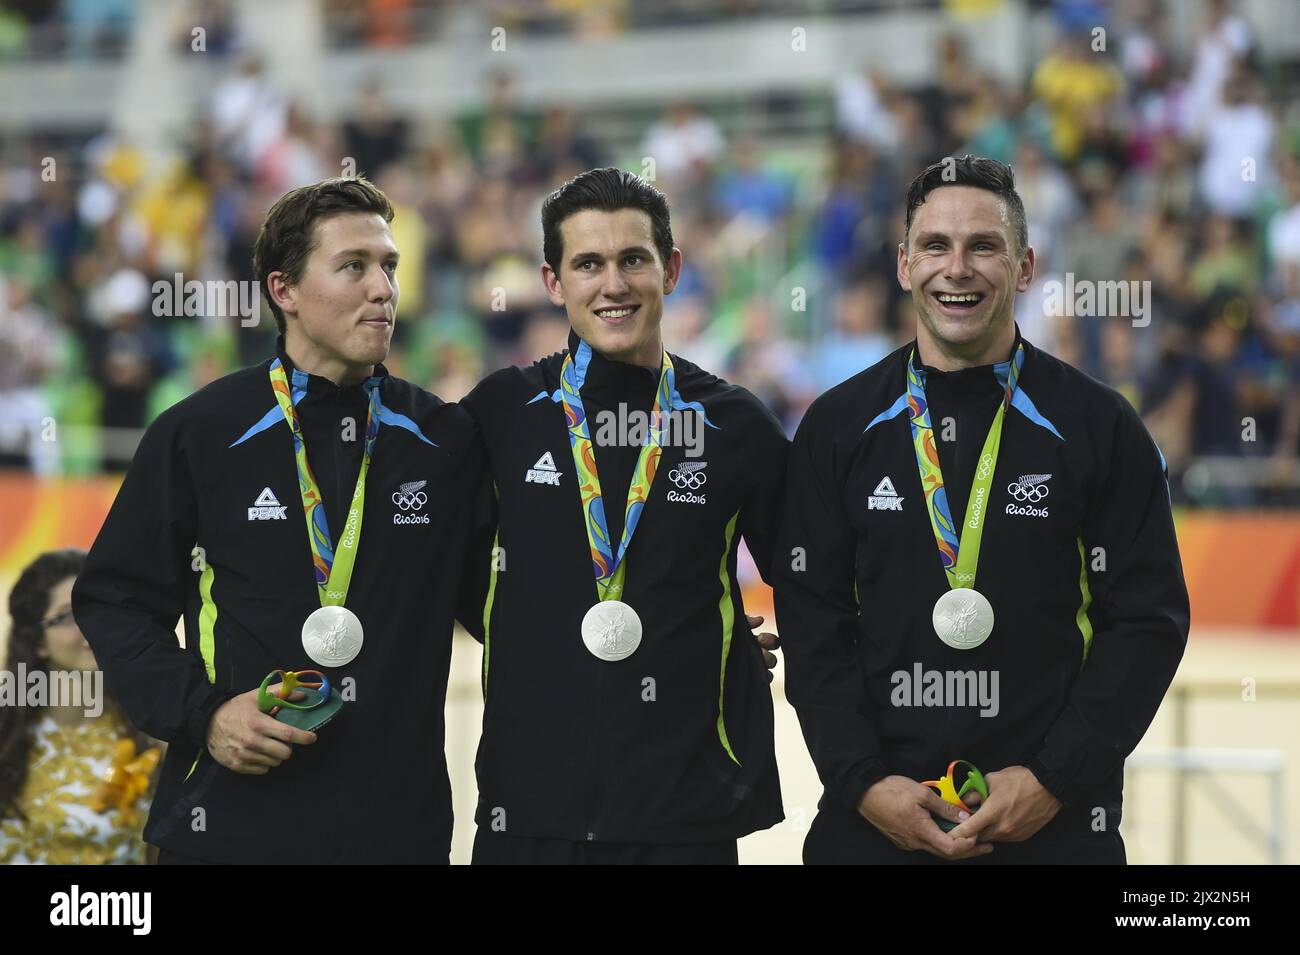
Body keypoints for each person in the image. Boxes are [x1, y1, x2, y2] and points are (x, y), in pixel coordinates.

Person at [775, 156, 1190, 864]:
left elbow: (1148, 622)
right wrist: (865, 782)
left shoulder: (1099, 426)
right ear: (904, 266)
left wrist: (1051, 780)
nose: (956, 268)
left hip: (1052, 827)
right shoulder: (839, 427)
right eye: (935, 246)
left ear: (1025, 267)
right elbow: (814, 625)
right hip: (871, 826)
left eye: (983, 247)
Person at [71, 177, 484, 863]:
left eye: (389, 267)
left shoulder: (444, 439)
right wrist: (204, 715)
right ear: (284, 290)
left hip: (394, 834)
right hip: (229, 828)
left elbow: (509, 603)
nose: (382, 288)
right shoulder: (199, 433)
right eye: (353, 266)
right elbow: (114, 600)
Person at [459, 168, 787, 864]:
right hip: (527, 820)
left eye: (633, 259)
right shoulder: (500, 414)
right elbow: (436, 566)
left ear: (670, 269)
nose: (614, 284)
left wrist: (705, 645)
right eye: (588, 264)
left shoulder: (731, 423)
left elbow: (818, 584)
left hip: (684, 824)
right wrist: (537, 639)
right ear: (554, 283)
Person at [0, 549, 158, 864]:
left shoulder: (153, 732)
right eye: (70, 615)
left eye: (98, 610)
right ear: (38, 642)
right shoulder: (5, 733)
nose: (91, 627)